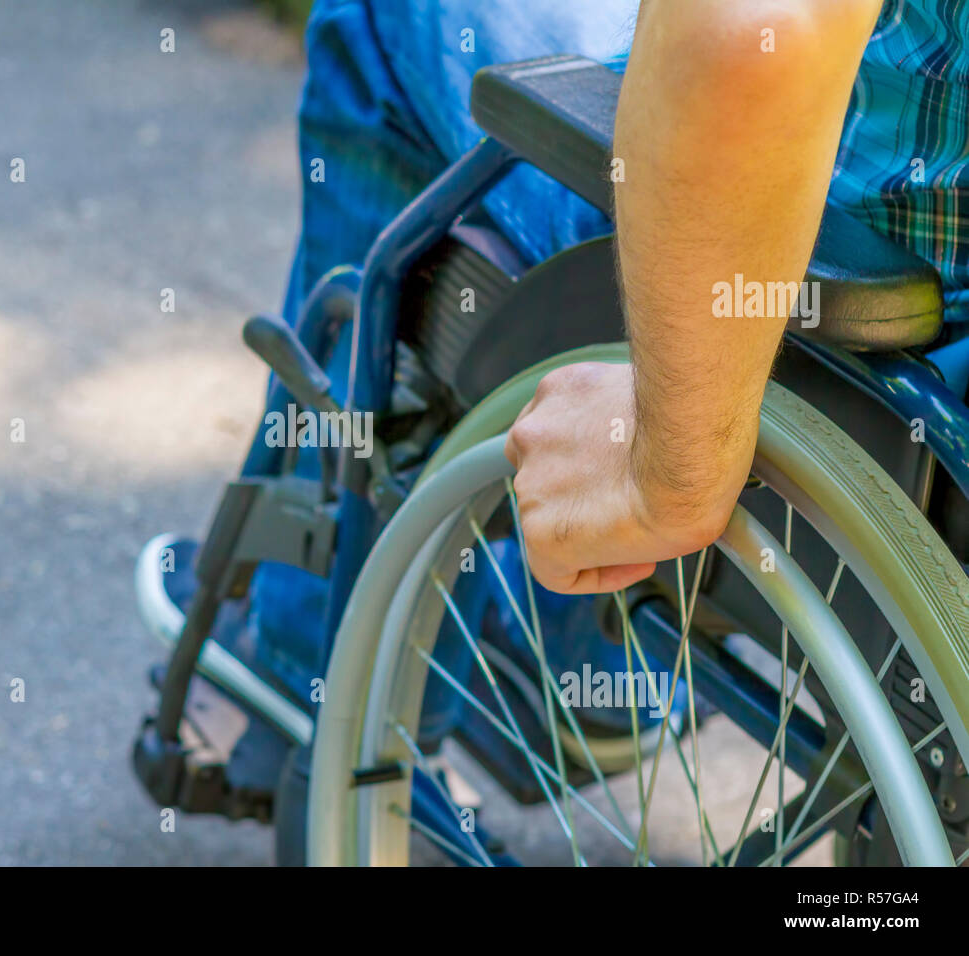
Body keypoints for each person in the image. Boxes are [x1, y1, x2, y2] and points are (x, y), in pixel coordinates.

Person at [282, 0, 961, 600]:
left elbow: (753, 32)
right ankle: (592, 673)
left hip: (818, 279)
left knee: (375, 18)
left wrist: (668, 482)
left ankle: (295, 639)